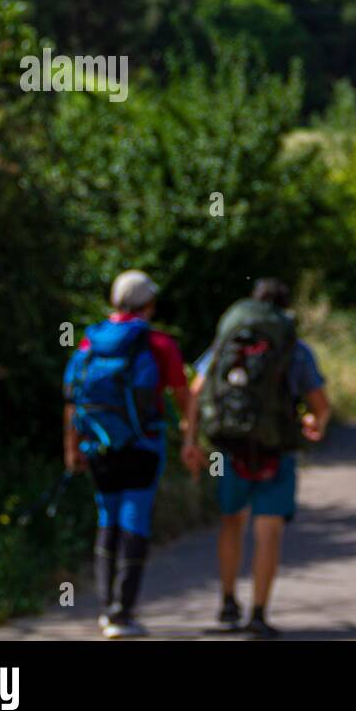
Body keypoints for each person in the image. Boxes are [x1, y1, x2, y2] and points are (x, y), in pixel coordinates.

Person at [63, 270, 203, 638]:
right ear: (149, 305)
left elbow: (73, 398)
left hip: (98, 446)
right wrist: (190, 439)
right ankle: (122, 613)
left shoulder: (89, 343)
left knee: (107, 519)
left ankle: (106, 609)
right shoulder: (158, 344)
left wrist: (72, 447)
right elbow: (183, 395)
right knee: (134, 519)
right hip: (143, 445)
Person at [189, 278, 331, 638]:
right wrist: (315, 424)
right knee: (268, 530)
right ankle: (258, 614)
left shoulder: (229, 340)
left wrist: (190, 439)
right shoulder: (294, 348)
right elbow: (319, 405)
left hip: (231, 445)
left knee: (231, 521)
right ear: (284, 309)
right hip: (275, 449)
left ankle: (226, 602)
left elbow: (196, 389)